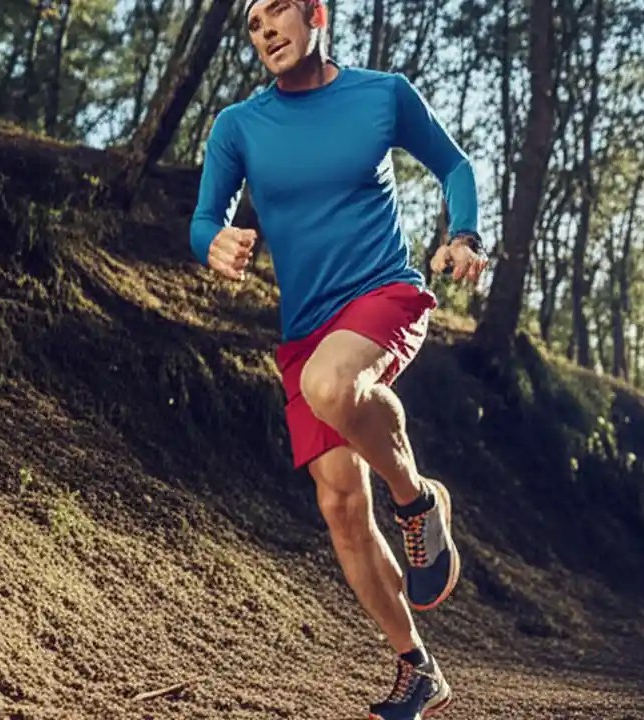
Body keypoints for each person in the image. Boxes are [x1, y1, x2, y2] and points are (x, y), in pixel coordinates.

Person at [188, 0, 488, 717]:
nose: (265, 32)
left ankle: (417, 502)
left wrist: (467, 235)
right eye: (254, 25)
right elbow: (205, 217)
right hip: (305, 327)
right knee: (340, 507)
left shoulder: (382, 94)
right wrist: (214, 244)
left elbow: (455, 165)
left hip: (381, 294)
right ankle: (417, 668)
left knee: (332, 384)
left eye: (278, 12)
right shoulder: (239, 127)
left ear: (316, 14)